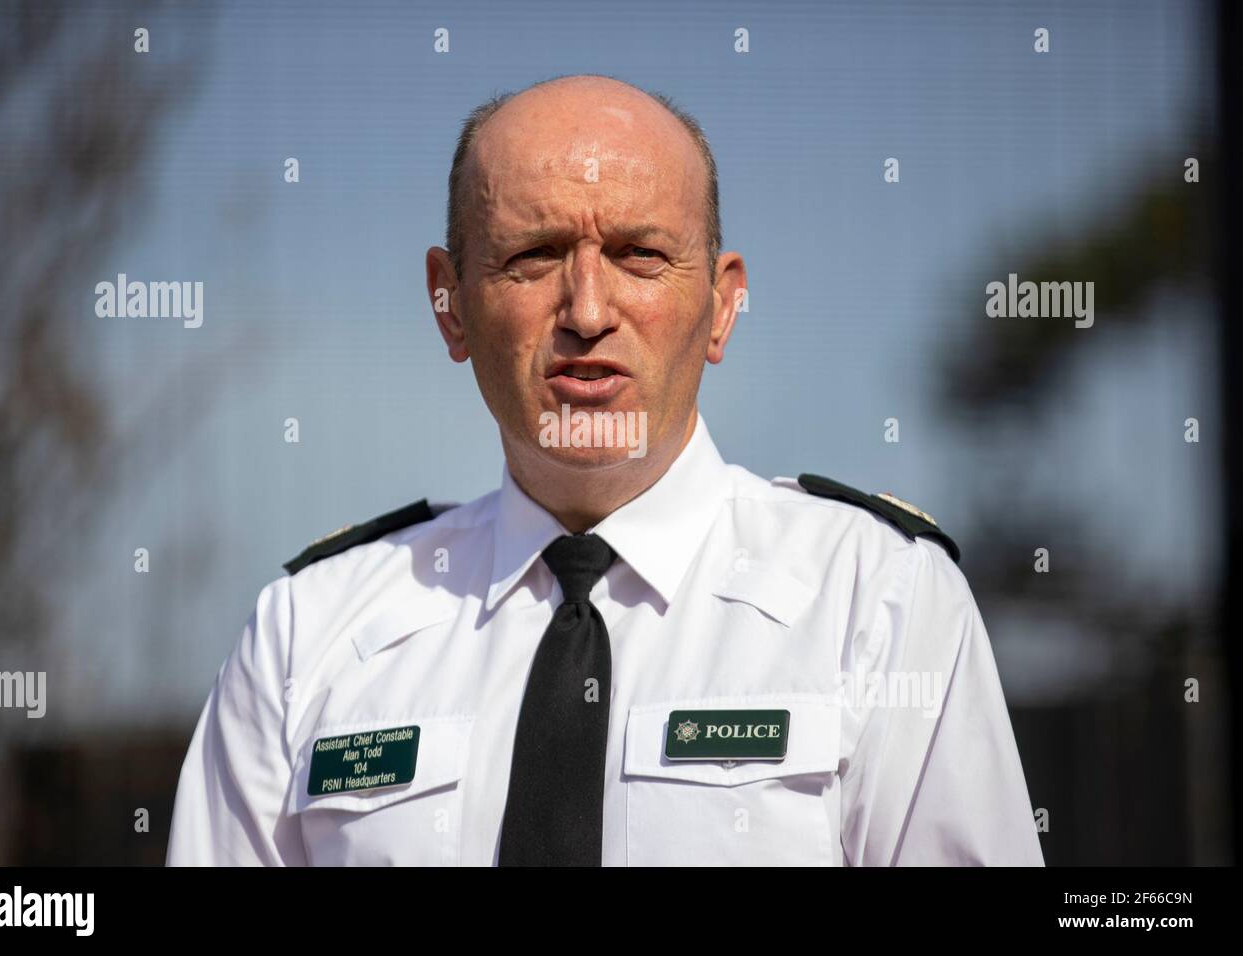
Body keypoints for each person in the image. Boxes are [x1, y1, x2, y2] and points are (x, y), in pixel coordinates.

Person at [166, 74, 1044, 867]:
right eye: (533, 256)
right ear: (451, 303)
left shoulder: (876, 599)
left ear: (722, 305)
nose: (586, 311)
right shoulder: (305, 635)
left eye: (639, 255)